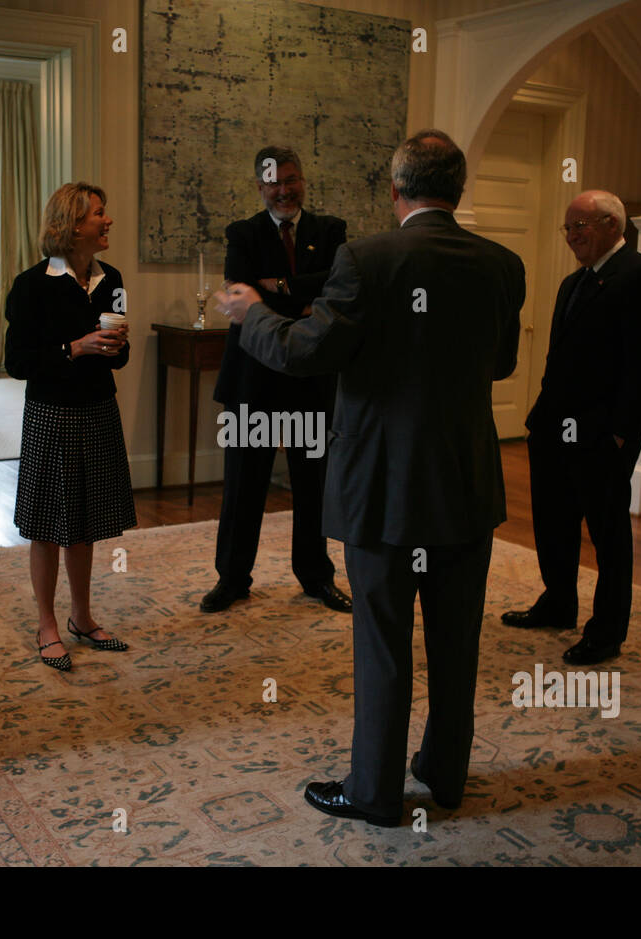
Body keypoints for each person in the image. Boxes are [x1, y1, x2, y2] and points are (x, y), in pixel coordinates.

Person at [217, 130, 524, 827]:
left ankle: (374, 792)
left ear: (395, 191)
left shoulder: (366, 259)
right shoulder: (504, 264)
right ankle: (446, 775)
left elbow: (307, 351)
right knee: (456, 640)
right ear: (459, 189)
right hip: (466, 486)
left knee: (383, 641)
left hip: (386, 487)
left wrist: (252, 315)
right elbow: (501, 363)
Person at [500, 189, 641, 665]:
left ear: (614, 226)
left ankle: (607, 631)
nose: (573, 235)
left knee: (607, 534)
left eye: (583, 225)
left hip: (601, 433)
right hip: (554, 426)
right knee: (553, 521)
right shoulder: (573, 283)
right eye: (569, 227)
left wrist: (619, 431)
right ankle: (558, 603)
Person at [200, 145, 352, 615]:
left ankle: (316, 577)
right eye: (273, 182)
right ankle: (232, 579)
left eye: (291, 179)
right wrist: (302, 302)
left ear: (303, 179)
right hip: (254, 384)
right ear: (259, 186)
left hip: (310, 382)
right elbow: (238, 292)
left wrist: (276, 291)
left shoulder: (332, 230)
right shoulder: (241, 233)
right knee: (244, 485)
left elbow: (336, 287)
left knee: (314, 487)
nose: (283, 190)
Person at [4, 182, 136, 671]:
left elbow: (119, 359)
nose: (108, 221)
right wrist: (74, 348)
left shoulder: (113, 277)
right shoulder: (32, 284)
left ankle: (81, 617)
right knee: (47, 525)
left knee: (86, 524)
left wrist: (115, 347)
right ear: (73, 223)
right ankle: (47, 624)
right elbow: (16, 362)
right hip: (51, 412)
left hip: (99, 408)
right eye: (100, 214)